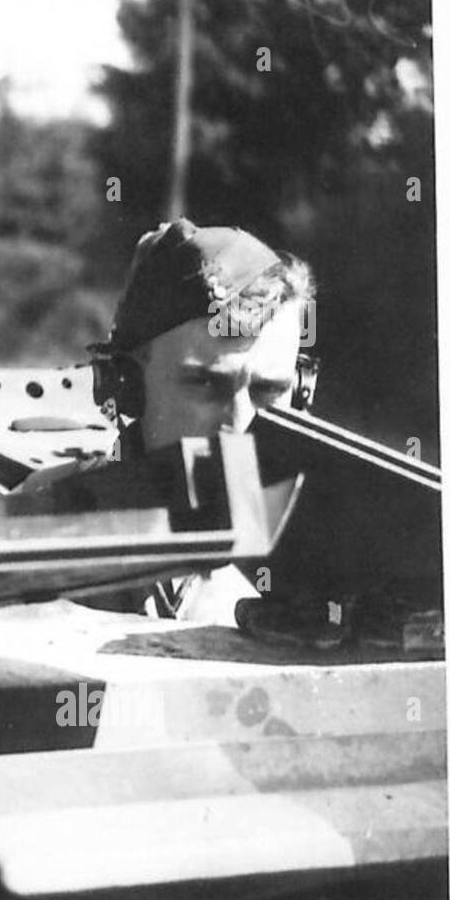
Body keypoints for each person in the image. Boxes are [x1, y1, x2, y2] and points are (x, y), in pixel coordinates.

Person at [84, 217, 318, 621]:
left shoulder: (317, 560)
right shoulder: (44, 527)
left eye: (267, 392)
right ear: (128, 385)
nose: (239, 424)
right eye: (207, 384)